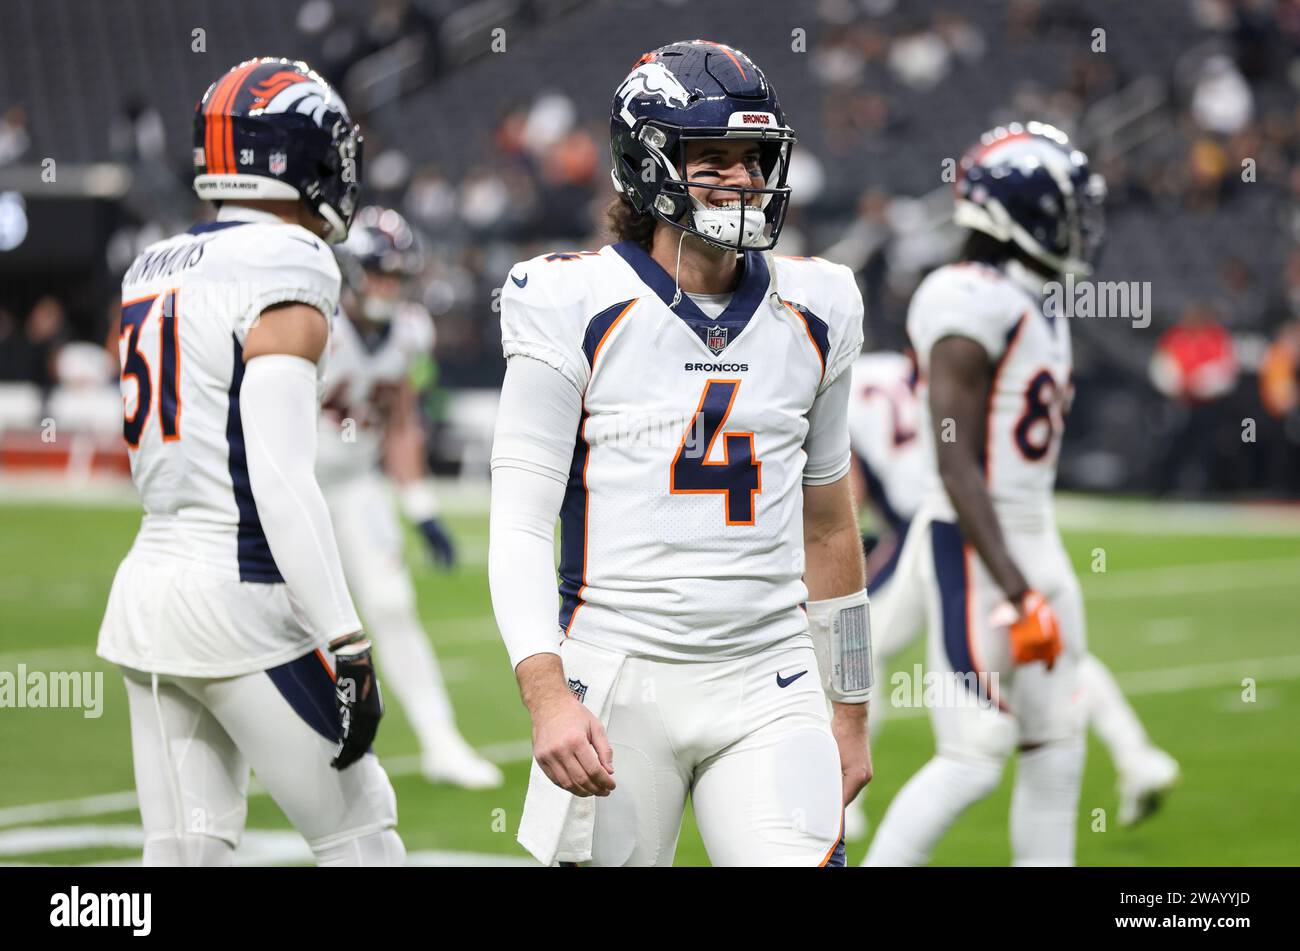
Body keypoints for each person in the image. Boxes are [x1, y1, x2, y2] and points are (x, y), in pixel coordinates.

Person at [488, 40, 871, 866]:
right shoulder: (571, 301)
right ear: (648, 163)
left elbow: (832, 528)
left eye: (754, 157)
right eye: (715, 158)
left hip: (770, 675)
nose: (742, 179)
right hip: (617, 674)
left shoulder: (820, 304)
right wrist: (546, 694)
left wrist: (851, 709)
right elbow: (519, 523)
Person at [97, 57, 404, 866]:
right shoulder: (287, 261)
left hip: (146, 590)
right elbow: (277, 474)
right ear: (293, 154)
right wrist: (345, 638)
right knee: (363, 836)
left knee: (185, 855)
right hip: (239, 593)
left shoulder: (149, 266)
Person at [864, 122, 1110, 866]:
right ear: (1023, 211)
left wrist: (1033, 582)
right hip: (977, 548)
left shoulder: (1033, 296)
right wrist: (1015, 587)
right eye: (1068, 208)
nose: (1080, 227)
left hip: (1035, 541)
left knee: (1058, 744)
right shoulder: (967, 295)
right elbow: (955, 460)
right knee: (976, 753)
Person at [840, 349, 1178, 843]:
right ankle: (1137, 754)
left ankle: (847, 804)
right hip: (986, 516)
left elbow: (849, 488)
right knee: (1047, 648)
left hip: (940, 524)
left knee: (860, 654)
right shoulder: (916, 365)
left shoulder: (849, 382)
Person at [319, 204, 502, 788]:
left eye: (396, 275)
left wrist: (420, 508)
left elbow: (400, 422)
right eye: (377, 271)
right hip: (291, 488)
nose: (386, 286)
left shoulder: (409, 332)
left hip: (355, 485)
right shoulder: (315, 320)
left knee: (393, 606)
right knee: (289, 622)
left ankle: (440, 741)